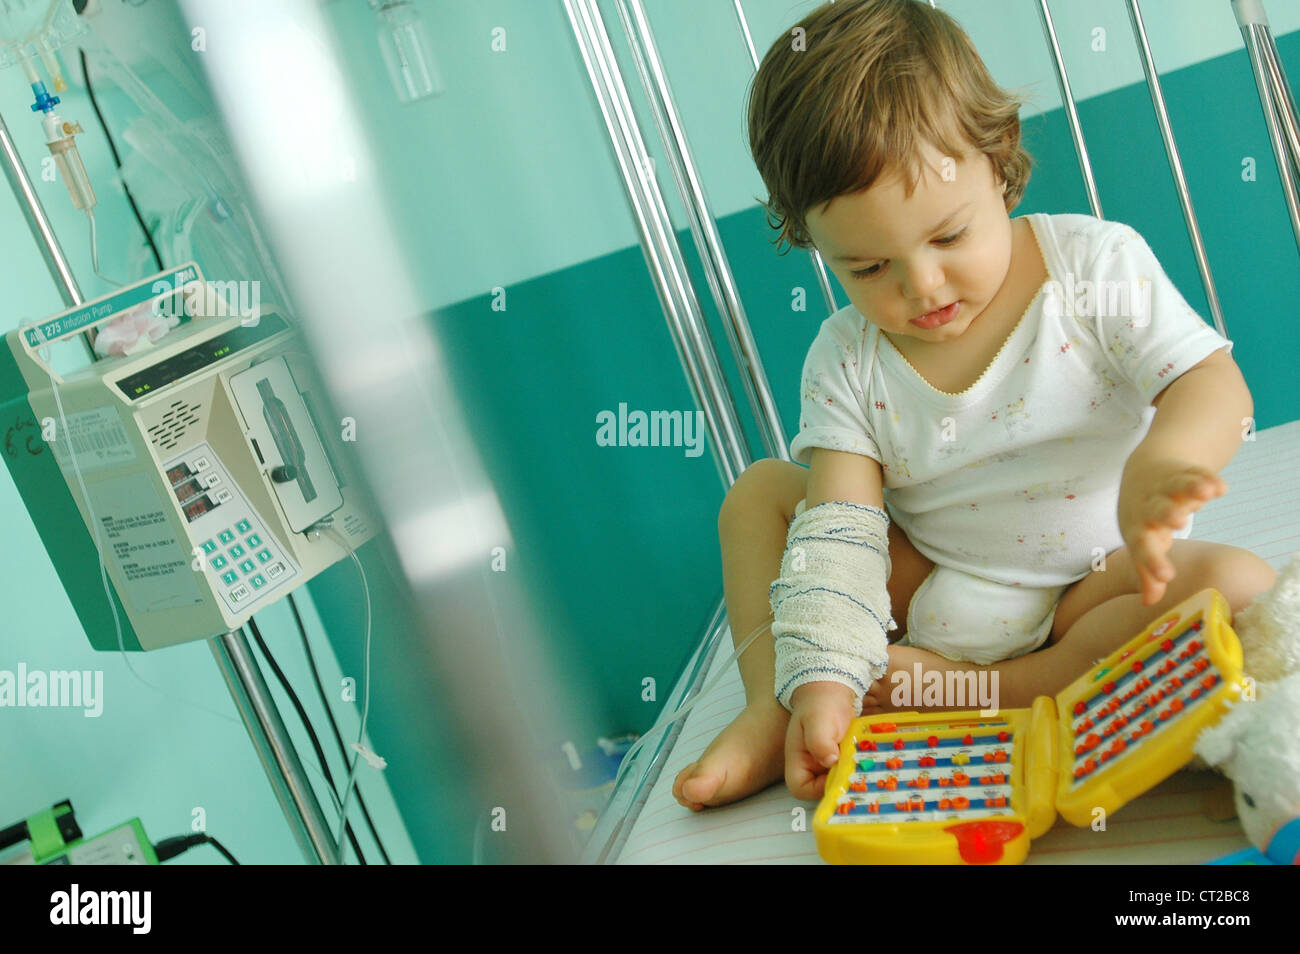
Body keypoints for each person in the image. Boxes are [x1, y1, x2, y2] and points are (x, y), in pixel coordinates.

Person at [672, 0, 1277, 810]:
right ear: (815, 244)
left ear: (999, 165)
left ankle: (1002, 690)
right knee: (758, 498)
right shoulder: (846, 357)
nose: (921, 287)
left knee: (1239, 586)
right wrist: (823, 671)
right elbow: (844, 532)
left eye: (950, 238)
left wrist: (1168, 462)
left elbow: (1212, 386)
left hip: (1089, 585)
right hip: (926, 579)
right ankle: (775, 704)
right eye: (867, 267)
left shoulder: (1092, 266)